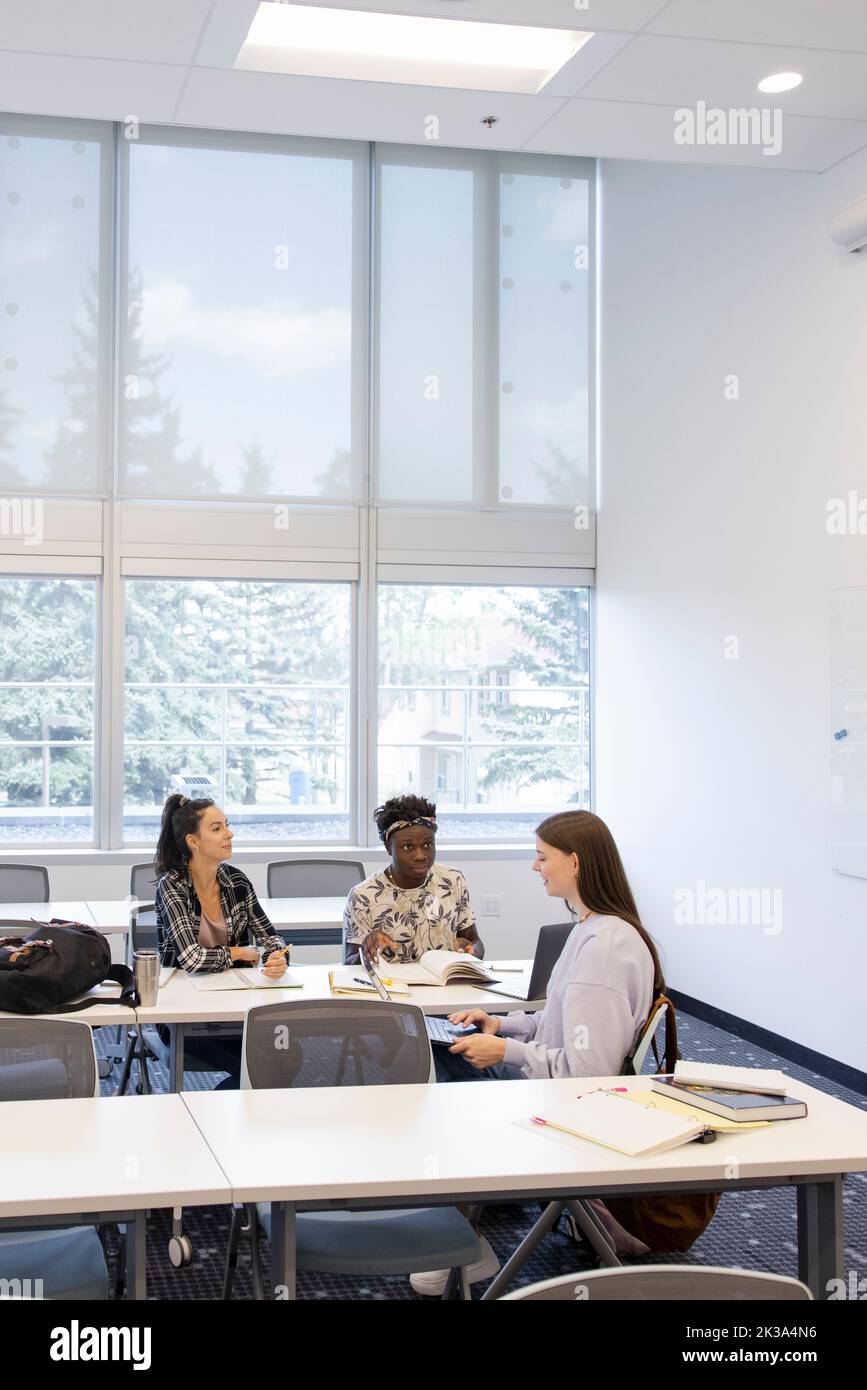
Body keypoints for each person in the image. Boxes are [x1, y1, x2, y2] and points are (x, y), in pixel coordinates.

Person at [409, 809, 660, 1296]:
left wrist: (505, 1050)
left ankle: (464, 1242)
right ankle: (463, 1221)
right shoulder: (594, 929)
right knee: (444, 1054)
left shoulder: (602, 948)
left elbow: (588, 1073)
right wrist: (501, 1023)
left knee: (446, 1076)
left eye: (542, 857)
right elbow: (563, 1026)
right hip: (563, 1085)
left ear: (577, 862)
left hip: (573, 1102)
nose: (534, 866)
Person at [154, 793, 290, 1088]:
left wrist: (276, 957)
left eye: (226, 826)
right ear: (194, 841)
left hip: (234, 1008)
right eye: (217, 828)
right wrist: (240, 952)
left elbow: (271, 937)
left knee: (291, 1055)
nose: (229, 833)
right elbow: (191, 958)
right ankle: (212, 1125)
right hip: (180, 1016)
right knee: (252, 1067)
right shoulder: (173, 886)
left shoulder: (237, 882)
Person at [343, 795, 484, 965]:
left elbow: (474, 941)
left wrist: (472, 951)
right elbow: (349, 964)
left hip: (446, 988)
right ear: (389, 847)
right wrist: (366, 951)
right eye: (408, 847)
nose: (420, 856)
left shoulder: (453, 881)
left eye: (427, 845)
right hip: (393, 988)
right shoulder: (364, 896)